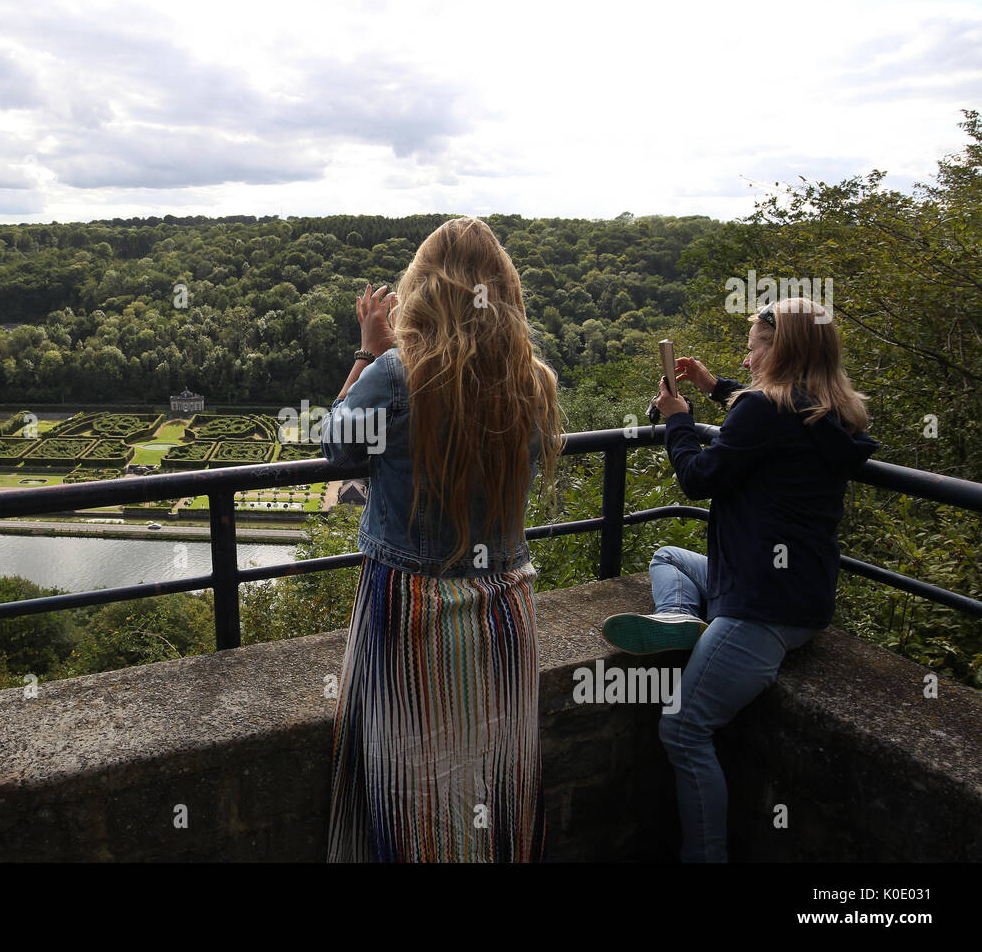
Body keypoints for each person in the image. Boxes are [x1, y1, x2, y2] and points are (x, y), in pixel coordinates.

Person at [320, 216, 562, 862]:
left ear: (422, 288)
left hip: (411, 607)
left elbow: (337, 451)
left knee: (410, 793)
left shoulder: (399, 373)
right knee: (495, 781)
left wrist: (367, 349)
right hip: (505, 607)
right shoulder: (532, 380)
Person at [604, 296, 879, 862]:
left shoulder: (765, 411)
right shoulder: (832, 413)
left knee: (682, 730)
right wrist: (713, 389)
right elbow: (773, 422)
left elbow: (700, 479)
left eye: (754, 346)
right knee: (669, 555)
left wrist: (678, 420)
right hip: (801, 592)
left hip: (760, 606)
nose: (748, 359)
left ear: (781, 348)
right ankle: (681, 618)